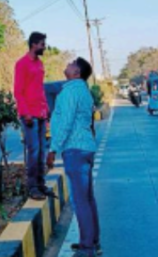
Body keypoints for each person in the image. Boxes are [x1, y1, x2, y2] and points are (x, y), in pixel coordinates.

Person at [48, 58, 101, 257]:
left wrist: (53, 149)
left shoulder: (70, 91)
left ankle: (87, 249)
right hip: (86, 148)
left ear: (76, 72)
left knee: (80, 201)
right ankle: (93, 242)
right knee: (87, 198)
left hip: (75, 150)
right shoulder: (84, 90)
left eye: (71, 63)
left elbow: (66, 122)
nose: (67, 64)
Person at [14, 32, 49, 200]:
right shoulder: (21, 64)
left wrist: (46, 110)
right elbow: (18, 91)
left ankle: (41, 184)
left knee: (42, 150)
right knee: (33, 151)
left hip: (41, 113)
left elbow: (40, 89)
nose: (44, 47)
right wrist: (25, 112)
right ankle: (32, 187)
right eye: (42, 44)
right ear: (34, 44)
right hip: (29, 115)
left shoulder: (40, 64)